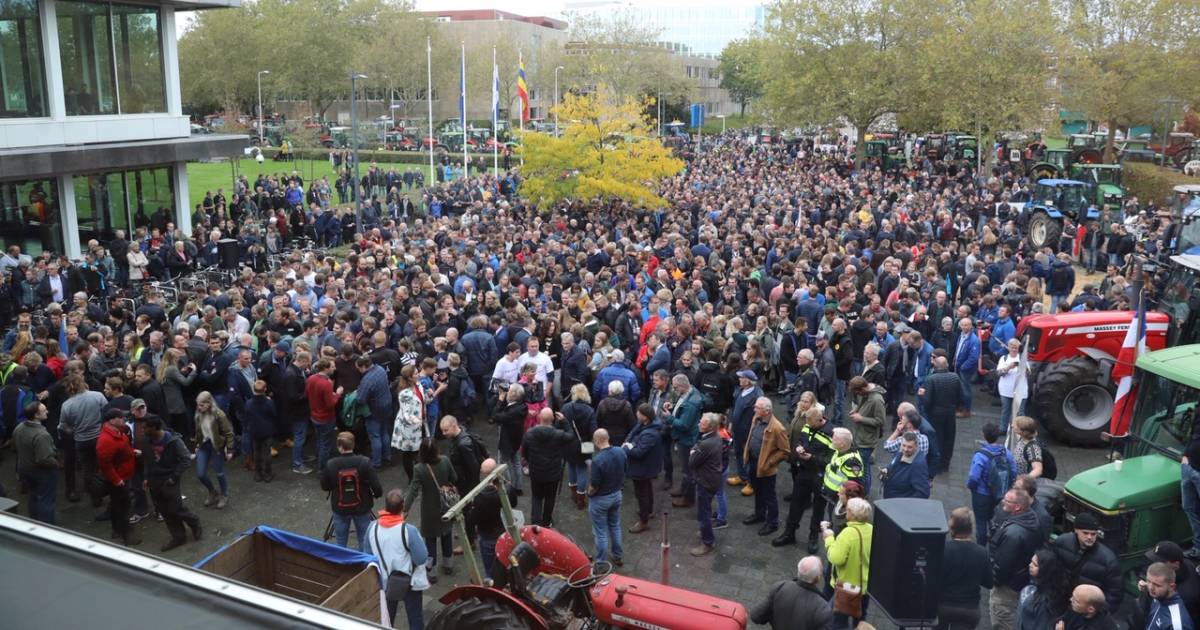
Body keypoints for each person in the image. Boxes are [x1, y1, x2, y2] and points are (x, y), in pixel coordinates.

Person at [365, 489, 429, 630]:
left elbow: (367, 556)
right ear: (402, 507)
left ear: (386, 506)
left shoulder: (372, 528)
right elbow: (421, 558)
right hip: (409, 581)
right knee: (415, 618)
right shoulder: (409, 530)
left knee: (387, 619)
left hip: (385, 581)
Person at [774, 406, 834, 552]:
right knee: (796, 503)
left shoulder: (831, 434)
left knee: (819, 508)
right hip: (804, 471)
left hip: (820, 475)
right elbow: (802, 438)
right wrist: (800, 447)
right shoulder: (808, 424)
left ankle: (813, 536)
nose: (808, 425)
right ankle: (789, 532)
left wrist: (812, 458)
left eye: (811, 423)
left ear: (820, 420)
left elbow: (831, 459)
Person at [143, 415, 202, 551]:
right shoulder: (148, 441)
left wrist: (174, 477)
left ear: (154, 428)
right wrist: (147, 477)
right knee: (165, 511)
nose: (143, 429)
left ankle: (194, 522)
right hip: (154, 481)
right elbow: (148, 460)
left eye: (146, 427)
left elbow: (186, 459)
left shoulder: (173, 441)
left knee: (176, 508)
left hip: (169, 480)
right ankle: (178, 537)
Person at [989, 487, 1043, 630]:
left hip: (1007, 587)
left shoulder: (1013, 534)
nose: (1002, 502)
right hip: (1020, 580)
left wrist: (994, 580)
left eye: (1007, 501)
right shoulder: (1032, 520)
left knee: (1002, 620)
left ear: (1017, 507)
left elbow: (1003, 564)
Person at [404, 438, 456, 580]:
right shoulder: (445, 460)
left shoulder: (419, 468)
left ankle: (431, 572)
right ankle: (448, 565)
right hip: (446, 506)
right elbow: (454, 477)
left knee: (430, 541)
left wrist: (405, 509)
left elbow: (413, 491)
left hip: (429, 510)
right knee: (447, 536)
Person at [321, 431, 383, 550]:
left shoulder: (331, 464)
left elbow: (325, 486)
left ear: (339, 447)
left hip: (340, 507)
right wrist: (376, 495)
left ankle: (342, 565)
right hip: (362, 506)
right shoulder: (365, 462)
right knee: (364, 540)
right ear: (353, 445)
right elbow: (377, 487)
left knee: (340, 541)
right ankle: (363, 565)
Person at [1051, 511, 1123, 611]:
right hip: (1060, 602)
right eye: (1085, 533)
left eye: (1093, 534)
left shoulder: (1108, 560)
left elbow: (1113, 596)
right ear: (1076, 530)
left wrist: (1095, 615)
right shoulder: (1061, 543)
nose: (1089, 537)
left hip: (1085, 611)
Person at [822, 497, 873, 629]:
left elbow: (835, 558)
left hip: (846, 588)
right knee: (860, 619)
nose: (845, 512)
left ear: (853, 515)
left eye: (848, 509)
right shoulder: (872, 529)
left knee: (837, 622)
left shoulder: (848, 533)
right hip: (864, 586)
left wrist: (829, 539)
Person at [938, 507, 993, 630]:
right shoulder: (982, 552)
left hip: (943, 606)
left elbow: (936, 578)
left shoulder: (943, 549)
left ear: (952, 526)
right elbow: (989, 583)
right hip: (969, 609)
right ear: (971, 528)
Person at [742, 396, 790, 536]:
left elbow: (785, 451)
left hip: (766, 468)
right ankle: (759, 514)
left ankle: (773, 522)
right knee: (757, 491)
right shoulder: (756, 419)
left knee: (769, 496)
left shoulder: (777, 428)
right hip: (753, 462)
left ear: (767, 411)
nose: (754, 409)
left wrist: (769, 463)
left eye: (757, 407)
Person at [750, 555, 834, 630]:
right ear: (817, 579)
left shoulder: (780, 587)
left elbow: (755, 616)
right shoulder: (822, 608)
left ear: (798, 572)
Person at [522, 407, 574, 527]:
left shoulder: (529, 433)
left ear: (539, 417)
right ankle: (546, 522)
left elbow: (524, 453)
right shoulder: (558, 434)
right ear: (552, 419)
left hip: (536, 472)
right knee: (550, 498)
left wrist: (531, 462)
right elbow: (571, 436)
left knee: (536, 497)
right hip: (553, 473)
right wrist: (564, 421)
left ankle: (535, 523)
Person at [95, 408, 141, 546]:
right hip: (119, 479)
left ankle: (117, 530)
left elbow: (123, 449)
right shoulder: (105, 440)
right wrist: (117, 480)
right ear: (112, 420)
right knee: (124, 507)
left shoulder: (118, 432)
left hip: (123, 476)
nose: (124, 419)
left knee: (116, 505)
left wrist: (132, 452)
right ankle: (127, 536)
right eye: (121, 417)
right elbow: (106, 465)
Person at [967, 422, 1017, 544]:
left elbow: (974, 477)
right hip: (999, 492)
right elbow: (1014, 471)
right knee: (992, 515)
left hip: (981, 494)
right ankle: (994, 537)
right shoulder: (1006, 452)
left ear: (983, 435)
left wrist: (971, 487)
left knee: (980, 521)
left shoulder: (980, 456)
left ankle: (981, 545)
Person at [13, 400, 58, 524]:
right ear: (36, 415)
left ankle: (35, 523)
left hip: (24, 468)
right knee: (46, 500)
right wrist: (56, 463)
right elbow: (44, 459)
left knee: (33, 497)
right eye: (44, 410)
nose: (47, 411)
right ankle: (48, 528)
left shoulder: (19, 427)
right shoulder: (42, 435)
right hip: (42, 472)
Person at [587, 428, 627, 565]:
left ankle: (600, 563)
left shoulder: (597, 461)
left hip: (601, 500)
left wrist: (588, 493)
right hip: (617, 495)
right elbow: (625, 470)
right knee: (615, 526)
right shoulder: (621, 452)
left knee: (600, 532)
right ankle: (617, 556)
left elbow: (594, 485)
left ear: (597, 441)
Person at [625, 403, 664, 534]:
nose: (636, 414)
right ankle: (648, 510)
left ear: (645, 417)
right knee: (646, 488)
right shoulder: (644, 425)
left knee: (642, 493)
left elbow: (638, 453)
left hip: (643, 467)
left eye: (639, 413)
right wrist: (629, 442)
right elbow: (632, 433)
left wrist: (628, 447)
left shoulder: (650, 434)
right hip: (646, 466)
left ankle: (644, 521)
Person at [192, 390, 234, 509]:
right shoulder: (198, 414)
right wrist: (197, 445)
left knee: (219, 472)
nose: (199, 407)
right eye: (197, 404)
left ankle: (224, 494)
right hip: (203, 445)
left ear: (209, 403)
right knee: (200, 474)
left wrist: (230, 450)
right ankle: (213, 491)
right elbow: (198, 432)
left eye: (201, 405)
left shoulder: (219, 415)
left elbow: (229, 433)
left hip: (216, 446)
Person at [667, 373, 704, 508]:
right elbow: (682, 407)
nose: (674, 389)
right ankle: (683, 489)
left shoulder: (692, 403)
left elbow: (684, 425)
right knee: (685, 469)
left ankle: (688, 499)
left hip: (687, 440)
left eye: (676, 387)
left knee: (688, 470)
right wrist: (673, 407)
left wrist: (669, 418)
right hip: (686, 438)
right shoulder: (689, 392)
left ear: (683, 385)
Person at [922, 355, 962, 473]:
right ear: (947, 365)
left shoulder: (931, 379)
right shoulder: (955, 377)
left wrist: (926, 407)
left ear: (935, 365)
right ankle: (945, 463)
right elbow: (960, 395)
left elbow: (927, 401)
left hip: (935, 413)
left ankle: (936, 463)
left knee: (937, 438)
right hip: (950, 412)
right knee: (949, 438)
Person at [1145, 541, 1200, 624]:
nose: (1155, 565)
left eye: (1160, 562)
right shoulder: (1185, 564)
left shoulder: (1185, 596)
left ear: (1176, 564)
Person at [727, 368, 764, 494]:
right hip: (737, 430)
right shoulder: (739, 391)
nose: (739, 379)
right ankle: (742, 476)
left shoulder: (758, 395)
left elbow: (760, 415)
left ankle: (751, 482)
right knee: (738, 453)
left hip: (749, 432)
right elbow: (733, 407)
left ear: (748, 381)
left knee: (749, 457)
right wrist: (731, 422)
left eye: (742, 377)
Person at [846, 376, 885, 494]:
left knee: (863, 469)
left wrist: (861, 418)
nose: (857, 395)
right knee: (863, 466)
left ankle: (864, 493)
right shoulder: (866, 393)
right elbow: (863, 403)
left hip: (867, 440)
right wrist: (857, 409)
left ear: (863, 389)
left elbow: (880, 421)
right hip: (861, 436)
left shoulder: (877, 400)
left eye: (857, 392)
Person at [1017, 548, 1071, 630]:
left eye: (1035, 565)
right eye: (1031, 562)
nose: (1030, 565)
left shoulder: (1043, 602)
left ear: (1044, 569)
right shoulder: (1051, 589)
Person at [561, 384, 596, 510]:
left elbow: (559, 425)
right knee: (582, 470)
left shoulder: (566, 407)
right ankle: (581, 499)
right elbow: (593, 431)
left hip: (568, 442)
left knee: (571, 466)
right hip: (585, 444)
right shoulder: (590, 410)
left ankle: (573, 494)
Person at [306, 358, 344, 473]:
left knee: (319, 440)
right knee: (325, 444)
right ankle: (323, 469)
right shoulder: (326, 384)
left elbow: (307, 393)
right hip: (326, 418)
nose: (334, 369)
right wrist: (337, 394)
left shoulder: (311, 378)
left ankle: (319, 460)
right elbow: (330, 404)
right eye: (332, 367)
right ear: (326, 368)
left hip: (314, 416)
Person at [494, 382, 529, 494]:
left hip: (506, 441)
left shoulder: (512, 411)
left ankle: (508, 488)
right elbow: (507, 407)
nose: (507, 391)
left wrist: (500, 400)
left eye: (509, 390)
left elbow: (496, 416)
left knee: (503, 464)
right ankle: (518, 488)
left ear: (513, 395)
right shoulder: (522, 406)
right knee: (516, 463)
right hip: (516, 440)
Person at [1139, 561, 1196, 630]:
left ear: (1172, 587)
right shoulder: (1159, 595)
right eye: (1148, 581)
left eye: (1157, 585)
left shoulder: (1177, 624)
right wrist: (1146, 591)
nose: (1150, 588)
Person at [392, 364, 425, 480]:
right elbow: (406, 414)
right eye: (416, 373)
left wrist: (430, 395)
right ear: (410, 377)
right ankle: (412, 478)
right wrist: (417, 420)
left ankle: (419, 476)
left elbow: (422, 401)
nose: (419, 374)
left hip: (419, 425)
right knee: (409, 454)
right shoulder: (404, 394)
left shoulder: (418, 385)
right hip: (409, 429)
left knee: (418, 452)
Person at [881, 432, 930, 499]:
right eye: (904, 445)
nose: (905, 449)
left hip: (898, 503)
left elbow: (923, 493)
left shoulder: (918, 464)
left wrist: (905, 505)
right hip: (890, 497)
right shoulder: (901, 450)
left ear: (916, 446)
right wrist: (887, 470)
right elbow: (893, 464)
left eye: (909, 447)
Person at [996, 338, 1027, 431]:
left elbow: (1029, 373)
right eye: (1012, 347)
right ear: (1008, 347)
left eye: (1016, 348)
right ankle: (1003, 428)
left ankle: (1021, 430)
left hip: (1020, 391)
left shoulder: (1023, 358)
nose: (1014, 349)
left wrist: (1024, 368)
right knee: (1006, 410)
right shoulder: (1004, 358)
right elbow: (999, 373)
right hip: (1006, 390)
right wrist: (1009, 367)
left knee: (1020, 412)